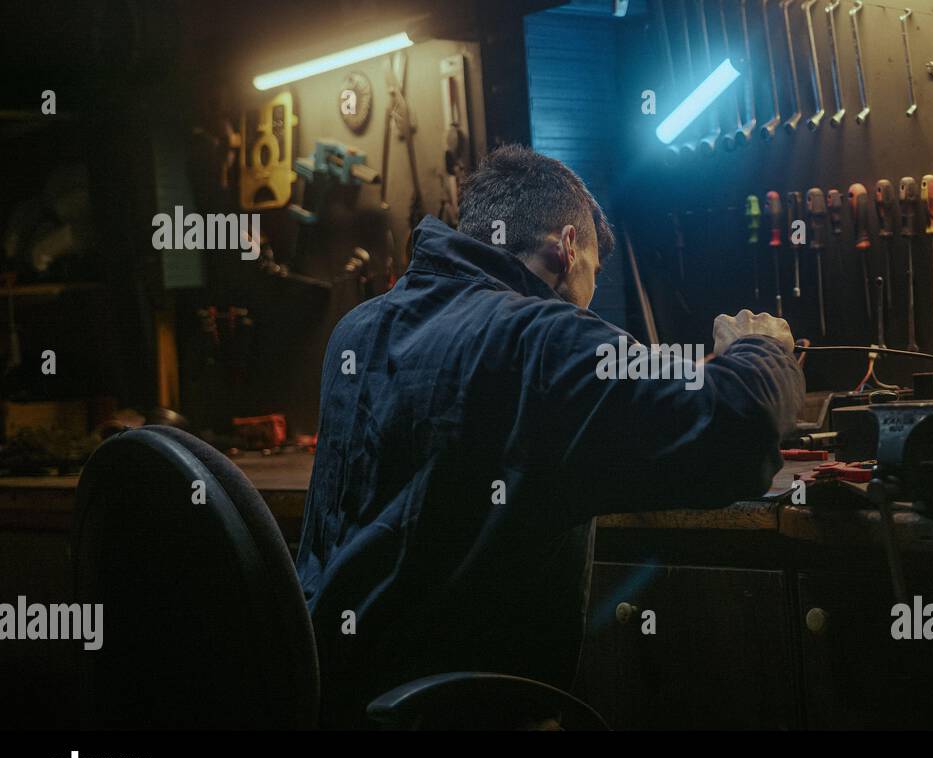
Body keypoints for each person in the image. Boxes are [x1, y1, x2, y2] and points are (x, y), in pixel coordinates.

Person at [296, 144, 804, 727]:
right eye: (591, 271)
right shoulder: (540, 336)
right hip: (467, 714)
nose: (589, 300)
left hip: (337, 701)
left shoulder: (356, 330)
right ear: (566, 249)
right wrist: (760, 348)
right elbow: (740, 430)